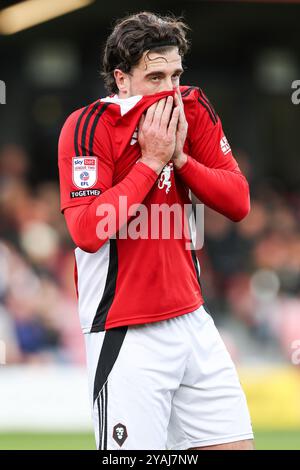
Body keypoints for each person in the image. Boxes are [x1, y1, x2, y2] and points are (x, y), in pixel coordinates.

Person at [58, 11, 254, 450]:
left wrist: (181, 160)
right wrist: (150, 162)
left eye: (176, 74)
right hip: (126, 329)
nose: (170, 90)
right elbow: (88, 230)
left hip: (193, 321)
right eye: (156, 77)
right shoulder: (87, 126)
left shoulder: (192, 107)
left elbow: (239, 201)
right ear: (121, 79)